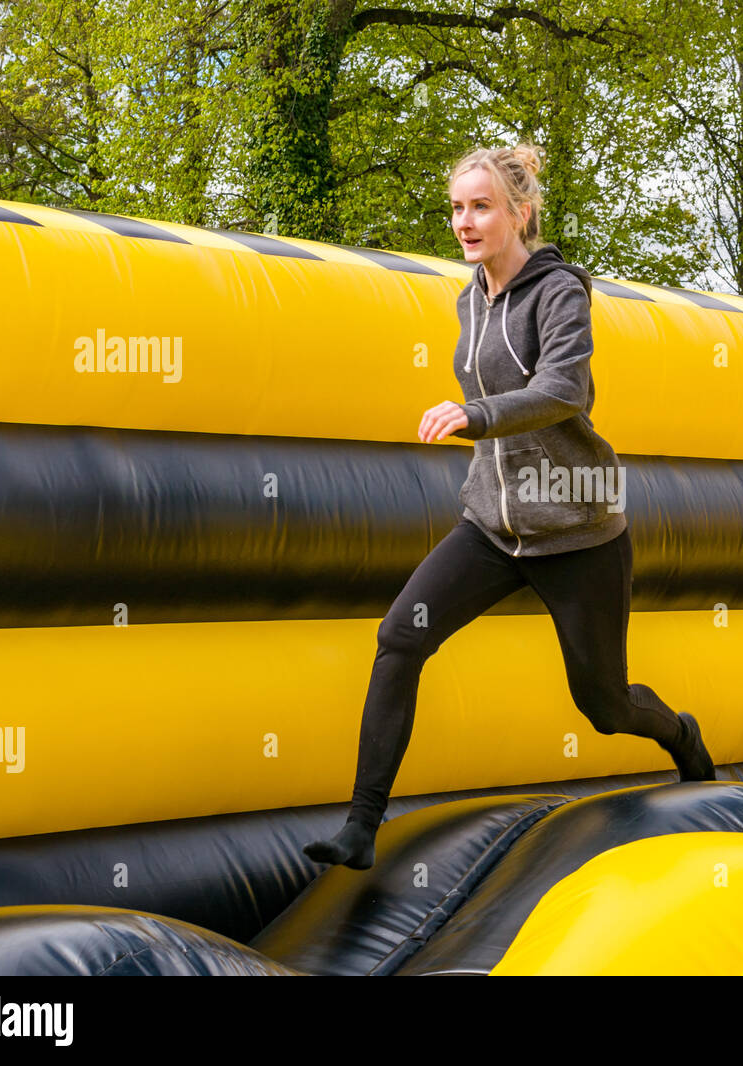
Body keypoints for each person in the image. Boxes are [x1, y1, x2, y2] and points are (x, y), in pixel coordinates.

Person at [303, 143, 716, 871]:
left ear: (519, 213)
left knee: (604, 705)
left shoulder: (560, 293)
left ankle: (680, 734)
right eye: (458, 208)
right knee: (401, 639)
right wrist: (481, 430)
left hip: (576, 526)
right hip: (492, 525)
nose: (465, 222)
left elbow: (564, 392)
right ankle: (361, 828)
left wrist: (475, 414)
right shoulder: (469, 297)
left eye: (481, 207)